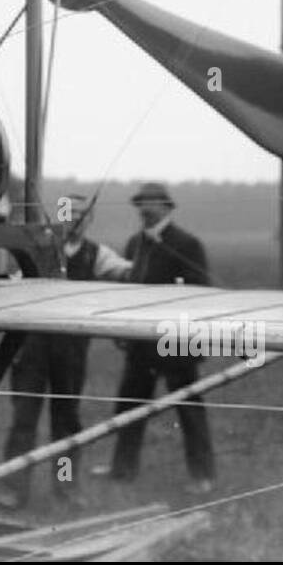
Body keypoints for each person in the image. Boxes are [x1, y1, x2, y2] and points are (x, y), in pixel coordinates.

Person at [0, 214, 142, 513]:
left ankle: (66, 487)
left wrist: (146, 260)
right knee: (24, 420)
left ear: (87, 222)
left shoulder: (96, 254)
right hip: (32, 345)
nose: (73, 221)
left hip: (71, 349)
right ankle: (12, 490)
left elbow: (128, 272)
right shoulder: (38, 249)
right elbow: (10, 279)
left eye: (79, 216)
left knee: (66, 421)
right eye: (67, 214)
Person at [91, 182, 216, 494]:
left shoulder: (187, 244)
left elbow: (201, 292)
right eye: (140, 204)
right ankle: (122, 469)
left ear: (166, 207)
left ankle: (202, 476)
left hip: (177, 343)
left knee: (188, 410)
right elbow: (127, 291)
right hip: (141, 344)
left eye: (151, 204)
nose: (144, 210)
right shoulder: (135, 244)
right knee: (129, 407)